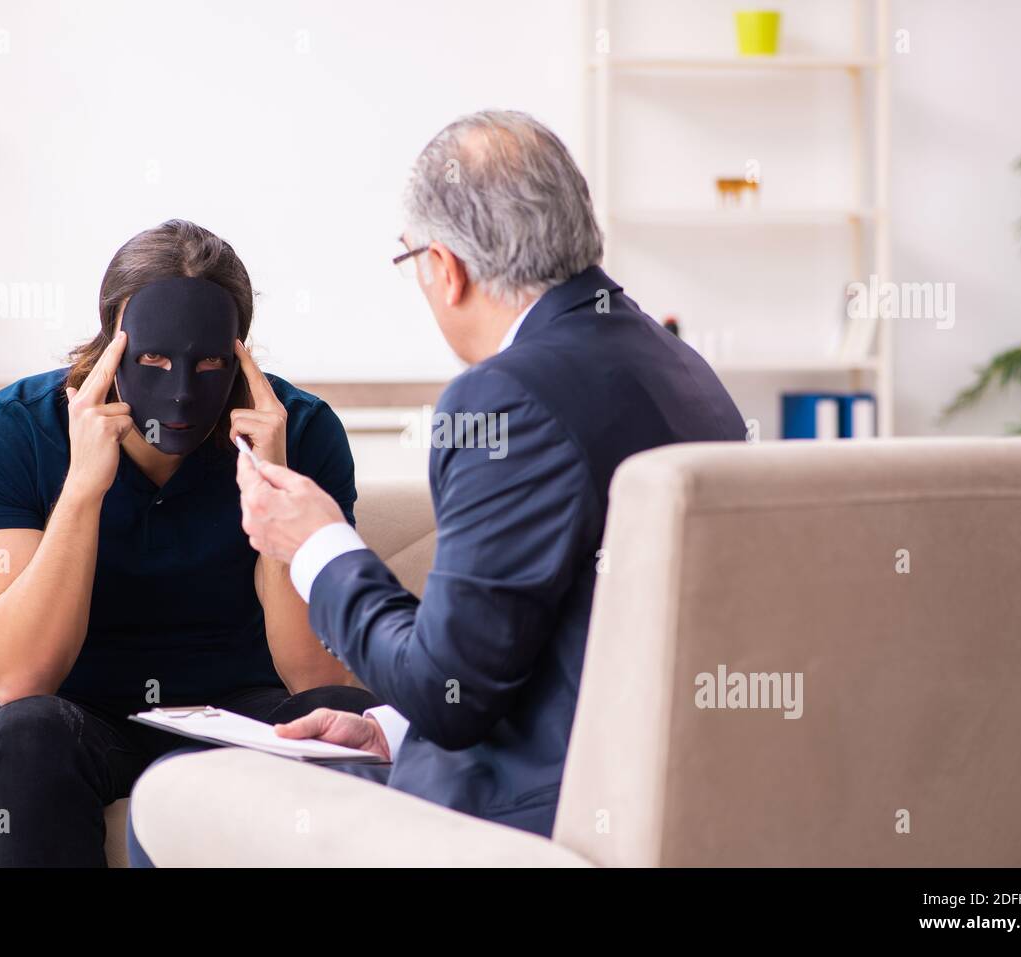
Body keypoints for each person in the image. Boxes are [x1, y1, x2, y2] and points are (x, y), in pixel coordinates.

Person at [127, 111, 745, 863]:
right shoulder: (685, 370)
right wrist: (387, 725)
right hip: (647, 791)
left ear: (445, 266)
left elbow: (449, 691)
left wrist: (315, 543)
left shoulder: (505, 399)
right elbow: (543, 647)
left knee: (170, 793)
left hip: (514, 813)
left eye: (410, 260)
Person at [0, 219, 376, 867]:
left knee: (345, 712)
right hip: (68, 719)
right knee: (31, 731)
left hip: (236, 718)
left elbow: (313, 675)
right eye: (152, 361)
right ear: (111, 345)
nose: (180, 393)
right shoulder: (7, 431)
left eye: (208, 365)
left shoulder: (300, 432)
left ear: (239, 355)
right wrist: (84, 488)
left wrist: (275, 486)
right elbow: (20, 679)